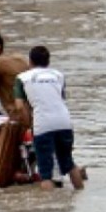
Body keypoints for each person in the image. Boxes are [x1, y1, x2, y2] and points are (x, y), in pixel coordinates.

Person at [12, 46, 85, 190]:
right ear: (48, 61)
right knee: (69, 164)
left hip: (43, 124)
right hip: (64, 122)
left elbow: (19, 106)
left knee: (46, 173)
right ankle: (80, 196)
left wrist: (28, 123)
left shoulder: (22, 78)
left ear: (30, 61)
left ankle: (48, 210)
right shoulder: (58, 75)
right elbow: (60, 98)